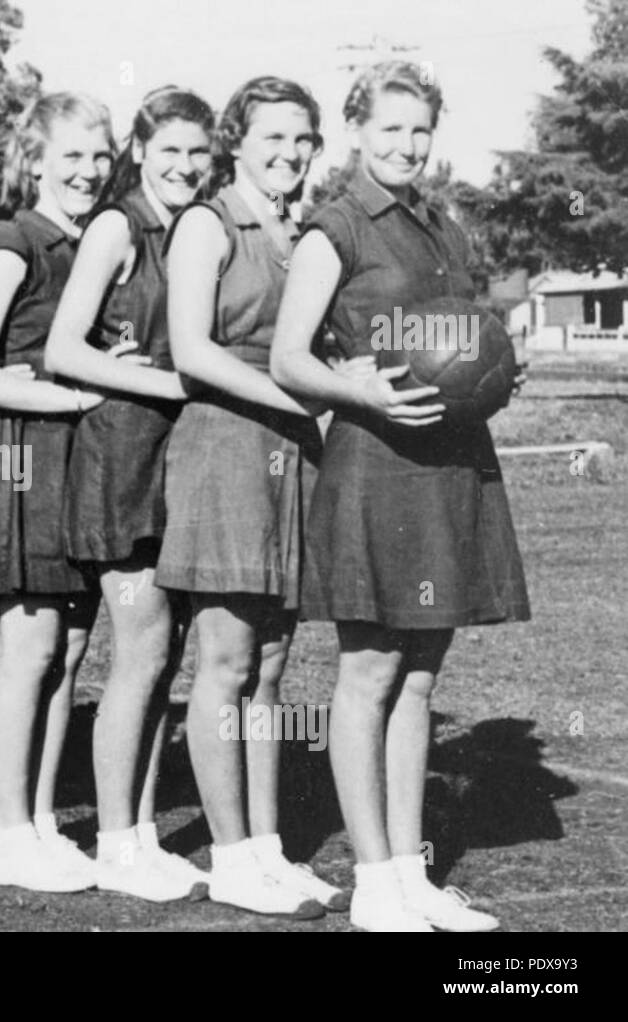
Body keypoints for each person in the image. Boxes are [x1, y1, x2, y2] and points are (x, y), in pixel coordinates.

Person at [269, 62, 530, 932]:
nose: (406, 145)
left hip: (451, 465)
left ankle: (411, 874)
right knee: (369, 673)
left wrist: (493, 376)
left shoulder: (443, 224)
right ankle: (374, 879)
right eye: (389, 129)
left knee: (419, 679)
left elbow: (465, 342)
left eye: (419, 130)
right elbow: (289, 359)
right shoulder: (332, 228)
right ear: (355, 130)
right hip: (377, 465)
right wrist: (364, 392)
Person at [158, 77, 352, 919]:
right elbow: (192, 352)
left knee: (273, 665)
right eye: (273, 137)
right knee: (227, 662)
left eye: (303, 140)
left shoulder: (300, 231)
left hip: (292, 457)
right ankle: (231, 855)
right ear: (236, 140)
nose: (289, 153)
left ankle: (267, 848)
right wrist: (301, 396)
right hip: (226, 450)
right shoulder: (207, 223)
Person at [44, 86, 218, 901]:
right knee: (141, 651)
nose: (185, 166)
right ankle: (117, 842)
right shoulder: (119, 225)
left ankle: (141, 832)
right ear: (141, 152)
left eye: (199, 152)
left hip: (174, 458)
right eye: (170, 150)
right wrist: (166, 378)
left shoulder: (197, 227)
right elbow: (62, 350)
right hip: (118, 460)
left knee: (165, 655)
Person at [0, 92, 112, 893]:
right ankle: (8, 832)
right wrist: (70, 397)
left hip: (77, 466)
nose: (88, 171)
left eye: (99, 155)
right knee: (31, 647)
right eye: (72, 155)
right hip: (18, 462)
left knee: (71, 651)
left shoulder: (97, 244)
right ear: (35, 159)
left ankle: (41, 819)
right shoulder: (10, 241)